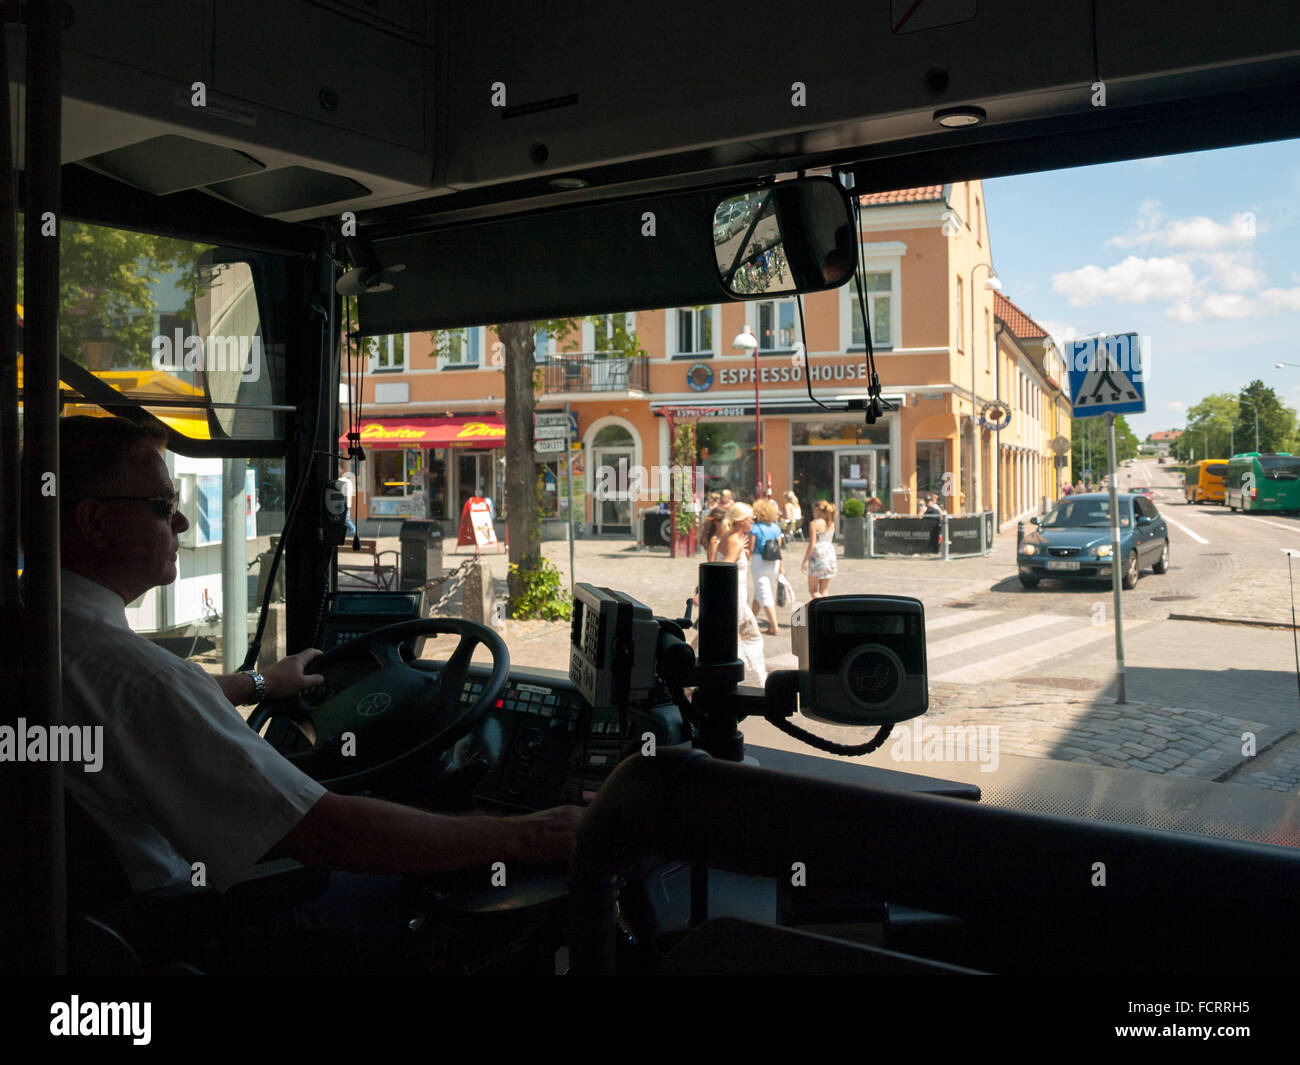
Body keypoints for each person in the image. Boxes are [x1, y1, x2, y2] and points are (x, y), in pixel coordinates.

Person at [45, 417, 582, 966]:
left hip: (101, 932)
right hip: (199, 925)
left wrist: (261, 683)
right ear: (94, 522)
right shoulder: (141, 680)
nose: (181, 520)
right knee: (447, 902)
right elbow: (324, 831)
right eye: (162, 505)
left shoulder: (50, 642)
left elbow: (149, 701)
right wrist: (524, 836)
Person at [717, 502, 767, 686]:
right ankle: (757, 680)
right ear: (740, 521)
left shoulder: (734, 538)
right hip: (734, 599)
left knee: (733, 638)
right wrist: (737, 551)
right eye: (750, 518)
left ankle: (753, 678)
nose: (753, 520)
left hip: (736, 597)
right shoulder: (733, 540)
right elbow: (723, 568)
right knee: (750, 638)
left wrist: (743, 552)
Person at [749, 497, 783, 635]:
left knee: (765, 593)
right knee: (760, 593)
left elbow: (751, 547)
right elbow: (779, 545)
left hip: (759, 561)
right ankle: (750, 620)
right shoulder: (775, 527)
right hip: (773, 562)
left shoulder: (755, 528)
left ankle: (774, 626)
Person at [801, 499, 838, 599]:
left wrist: (805, 561)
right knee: (824, 590)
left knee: (813, 590)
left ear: (817, 510)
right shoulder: (831, 523)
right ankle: (827, 610)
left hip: (818, 556)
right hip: (829, 555)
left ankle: (821, 610)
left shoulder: (814, 523)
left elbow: (812, 543)